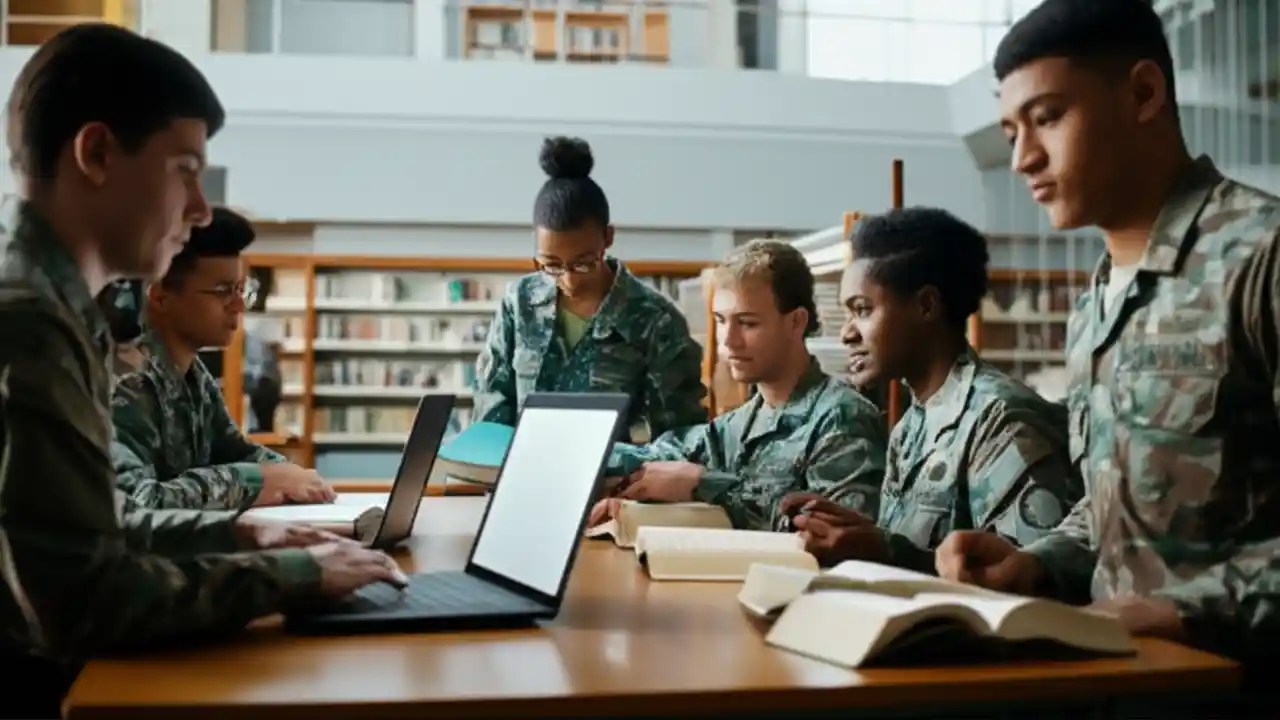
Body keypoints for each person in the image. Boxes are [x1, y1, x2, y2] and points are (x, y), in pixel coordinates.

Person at [0, 25, 404, 718]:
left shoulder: (60, 310)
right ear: (96, 153)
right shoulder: (30, 322)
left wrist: (244, 533)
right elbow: (85, 597)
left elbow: (103, 527)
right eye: (185, 169)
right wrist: (294, 575)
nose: (200, 209)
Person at [934, 0, 1280, 674]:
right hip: (1110, 679)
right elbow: (1115, 501)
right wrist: (1035, 565)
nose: (1024, 159)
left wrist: (1184, 609)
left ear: (1144, 93)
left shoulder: (1260, 258)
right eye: (1010, 133)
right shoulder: (1095, 303)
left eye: (1048, 118)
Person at [778, 208, 1080, 570]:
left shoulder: (1001, 420)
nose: (847, 333)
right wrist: (856, 534)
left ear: (926, 306)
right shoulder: (912, 425)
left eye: (862, 310)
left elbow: (1024, 584)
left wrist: (888, 552)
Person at [588, 239, 887, 532]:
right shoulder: (738, 424)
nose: (728, 341)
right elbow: (657, 456)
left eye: (747, 323)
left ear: (796, 322)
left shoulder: (841, 418)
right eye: (721, 321)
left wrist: (702, 484)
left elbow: (833, 534)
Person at [473, 136, 707, 444]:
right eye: (552, 265)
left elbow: (681, 434)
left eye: (583, 263)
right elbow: (491, 409)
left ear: (607, 238)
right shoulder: (519, 304)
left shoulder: (654, 320)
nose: (568, 280)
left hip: (614, 483)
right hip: (521, 476)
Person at [111, 206, 334, 510]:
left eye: (242, 290)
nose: (239, 306)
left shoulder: (193, 375)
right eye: (223, 291)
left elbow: (236, 452)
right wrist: (257, 481)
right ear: (161, 296)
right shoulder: (124, 382)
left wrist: (293, 476)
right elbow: (135, 503)